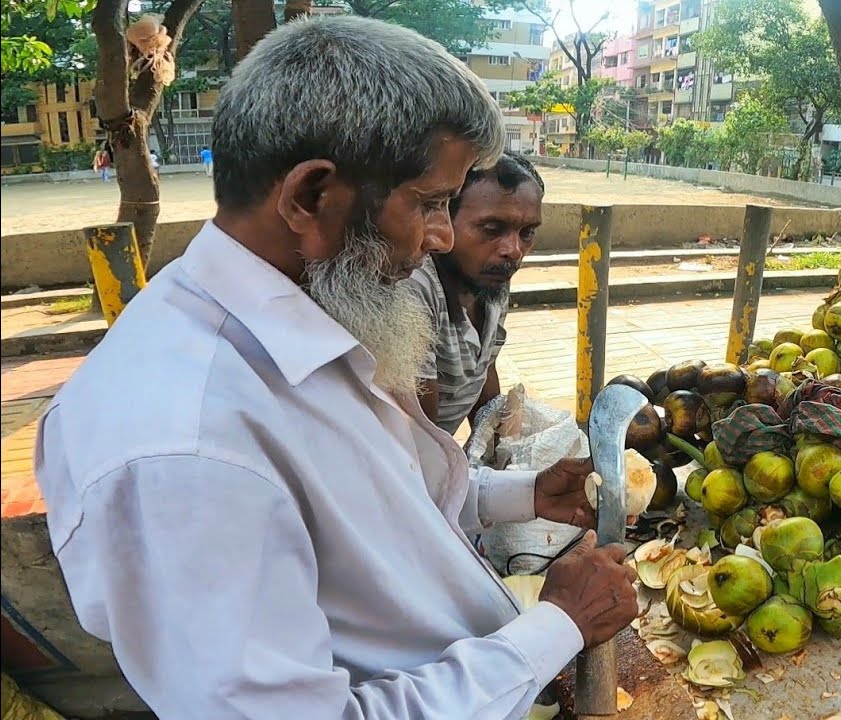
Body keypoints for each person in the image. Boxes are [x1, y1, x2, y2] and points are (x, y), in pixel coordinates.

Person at [34, 16, 637, 719]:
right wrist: (559, 624)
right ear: (311, 196)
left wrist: (523, 495)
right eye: (431, 203)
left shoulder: (309, 318)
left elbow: (375, 514)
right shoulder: (185, 447)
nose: (442, 236)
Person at [405, 151, 543, 434]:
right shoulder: (415, 291)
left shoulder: (491, 281)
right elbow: (424, 444)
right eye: (492, 228)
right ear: (442, 222)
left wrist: (497, 447)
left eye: (527, 232)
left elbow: (484, 369)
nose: (513, 250)